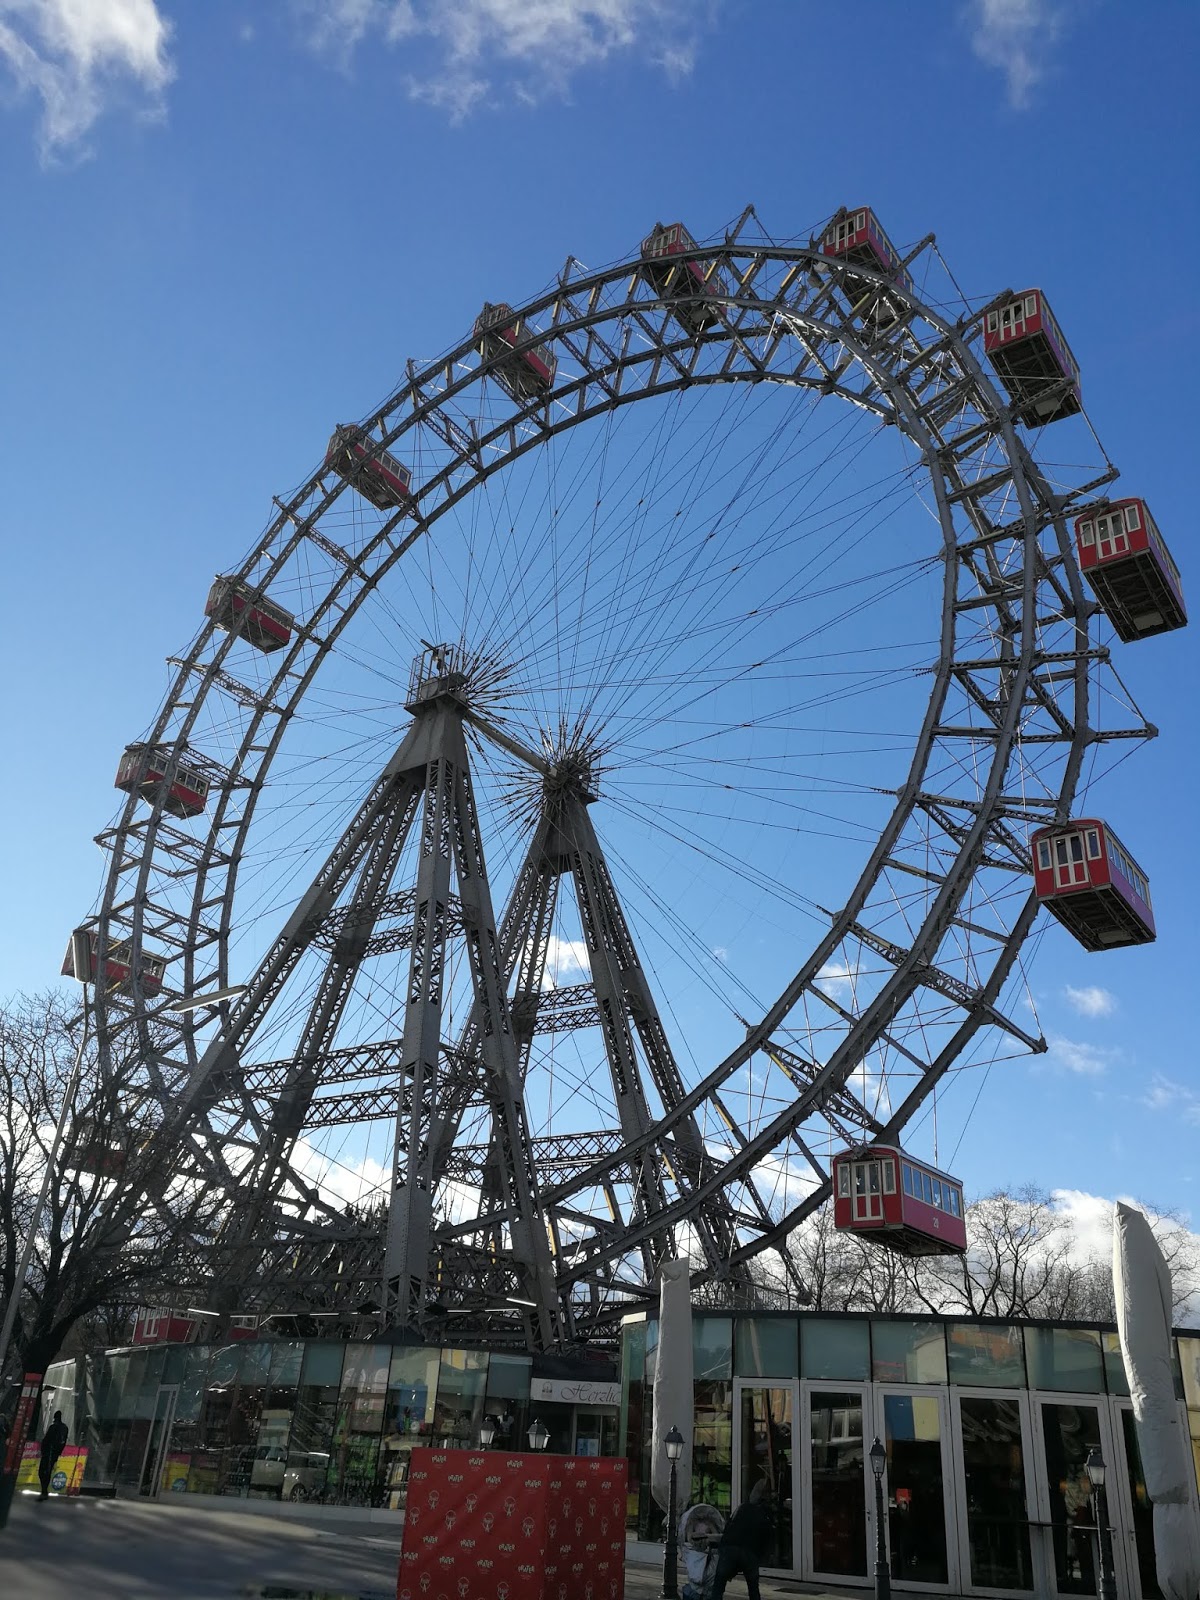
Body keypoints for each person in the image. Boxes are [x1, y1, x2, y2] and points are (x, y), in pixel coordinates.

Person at [709, 1477, 774, 1600]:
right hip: (750, 1550)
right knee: (753, 1588)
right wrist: (761, 1557)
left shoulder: (742, 1508)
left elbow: (728, 1527)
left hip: (731, 1547)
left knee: (718, 1585)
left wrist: (722, 1547)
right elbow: (767, 1537)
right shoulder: (765, 1514)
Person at [38, 1410, 69, 1500]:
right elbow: (63, 1441)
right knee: (48, 1471)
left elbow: (46, 1440)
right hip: (55, 1453)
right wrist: (58, 1452)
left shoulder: (53, 1427)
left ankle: (44, 1491)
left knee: (42, 1471)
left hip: (48, 1452)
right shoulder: (64, 1428)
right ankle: (44, 1491)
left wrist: (43, 1451)